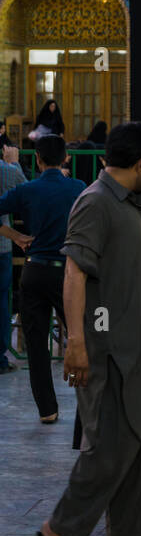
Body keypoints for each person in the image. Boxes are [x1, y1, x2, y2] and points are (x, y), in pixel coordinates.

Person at [36, 121, 141, 536]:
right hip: (109, 348)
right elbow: (74, 273)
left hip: (137, 346)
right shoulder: (95, 202)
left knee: (136, 440)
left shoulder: (128, 202)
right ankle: (59, 529)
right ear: (140, 163)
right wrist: (76, 344)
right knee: (109, 446)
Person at [0, 135, 85, 420]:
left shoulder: (27, 190)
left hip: (34, 270)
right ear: (66, 158)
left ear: (37, 159)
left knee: (37, 345)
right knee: (83, 334)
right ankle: (89, 401)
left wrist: (15, 235)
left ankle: (47, 410)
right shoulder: (78, 188)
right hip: (68, 273)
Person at [0, 144, 25, 373]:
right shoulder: (5, 170)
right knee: (2, 301)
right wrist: (14, 162)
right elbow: (27, 191)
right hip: (2, 248)